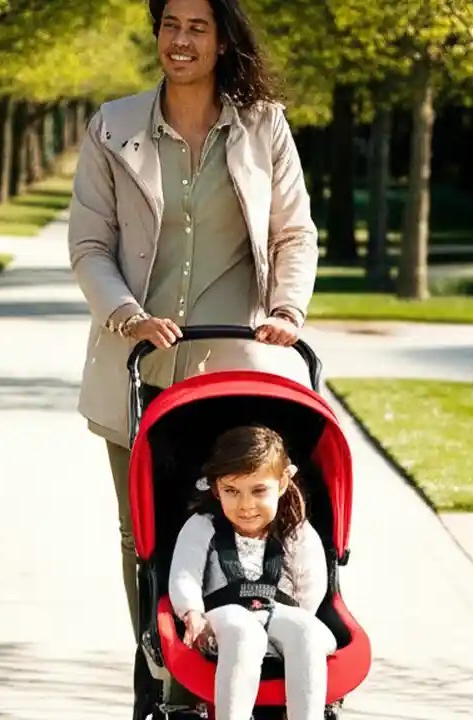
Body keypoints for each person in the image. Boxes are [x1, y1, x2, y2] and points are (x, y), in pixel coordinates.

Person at [67, 0, 319, 645]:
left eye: (197, 28)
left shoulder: (264, 128)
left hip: (235, 370)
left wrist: (287, 310)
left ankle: (246, 647)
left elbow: (294, 232)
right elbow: (91, 243)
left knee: (237, 517)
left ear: (224, 41)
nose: (180, 40)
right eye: (170, 26)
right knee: (142, 531)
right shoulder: (112, 126)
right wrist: (126, 315)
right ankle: (159, 663)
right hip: (136, 364)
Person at [170, 425, 336, 720]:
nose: (246, 505)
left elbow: (311, 583)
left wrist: (297, 618)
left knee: (306, 631)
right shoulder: (203, 526)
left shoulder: (296, 532)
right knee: (243, 629)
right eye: (231, 491)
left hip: (280, 613)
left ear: (282, 483)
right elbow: (185, 572)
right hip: (222, 617)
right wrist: (191, 610)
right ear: (215, 488)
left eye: (259, 491)